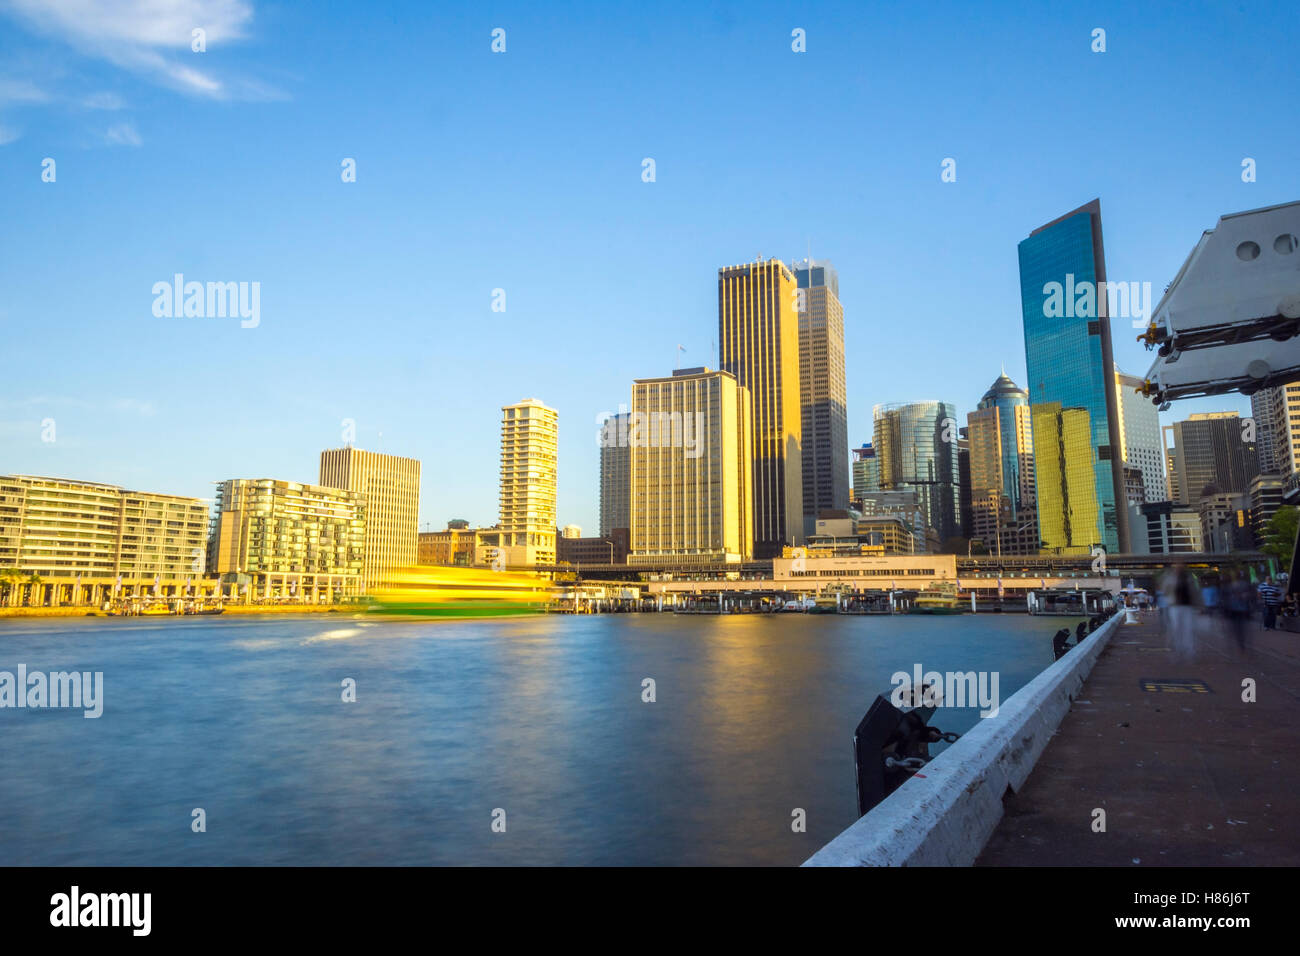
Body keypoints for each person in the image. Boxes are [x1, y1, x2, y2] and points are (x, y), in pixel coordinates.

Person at [1223, 570, 1253, 653]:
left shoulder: (1230, 586)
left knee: (1237, 628)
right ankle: (1241, 642)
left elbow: (1226, 599)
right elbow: (1250, 595)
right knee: (1241, 627)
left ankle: (1239, 642)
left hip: (1235, 610)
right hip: (1241, 609)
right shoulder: (1244, 585)